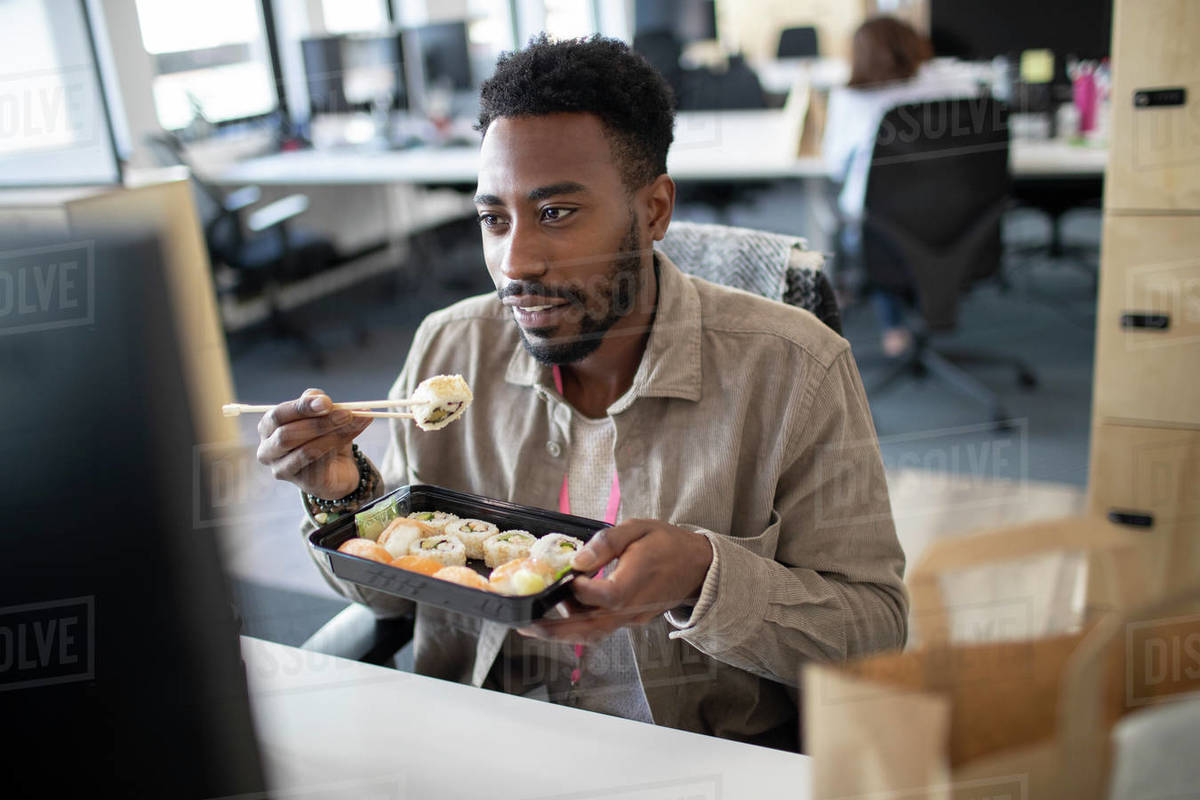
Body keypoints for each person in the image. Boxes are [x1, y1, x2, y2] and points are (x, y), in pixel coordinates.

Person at [257, 34, 906, 751]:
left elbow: (871, 633)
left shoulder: (794, 369)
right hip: (480, 743)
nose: (515, 262)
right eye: (492, 218)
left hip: (693, 761)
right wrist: (343, 498)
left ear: (654, 210)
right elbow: (390, 593)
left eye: (557, 214)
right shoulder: (449, 346)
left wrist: (705, 576)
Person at [822, 16, 980, 356]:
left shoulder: (851, 99)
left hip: (884, 227)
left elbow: (835, 167)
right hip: (959, 217)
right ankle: (931, 307)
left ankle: (893, 327)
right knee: (902, 223)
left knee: (869, 218)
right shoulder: (958, 86)